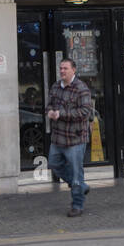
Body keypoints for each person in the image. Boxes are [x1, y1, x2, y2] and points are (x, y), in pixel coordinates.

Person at [45, 57, 93, 216]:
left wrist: (62, 114)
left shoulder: (81, 88)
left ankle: (77, 205)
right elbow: (49, 105)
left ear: (74, 70)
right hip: (58, 138)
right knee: (53, 163)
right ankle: (81, 187)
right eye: (61, 68)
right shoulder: (55, 87)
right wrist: (50, 112)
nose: (62, 71)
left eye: (65, 68)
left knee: (76, 171)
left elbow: (85, 112)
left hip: (75, 138)